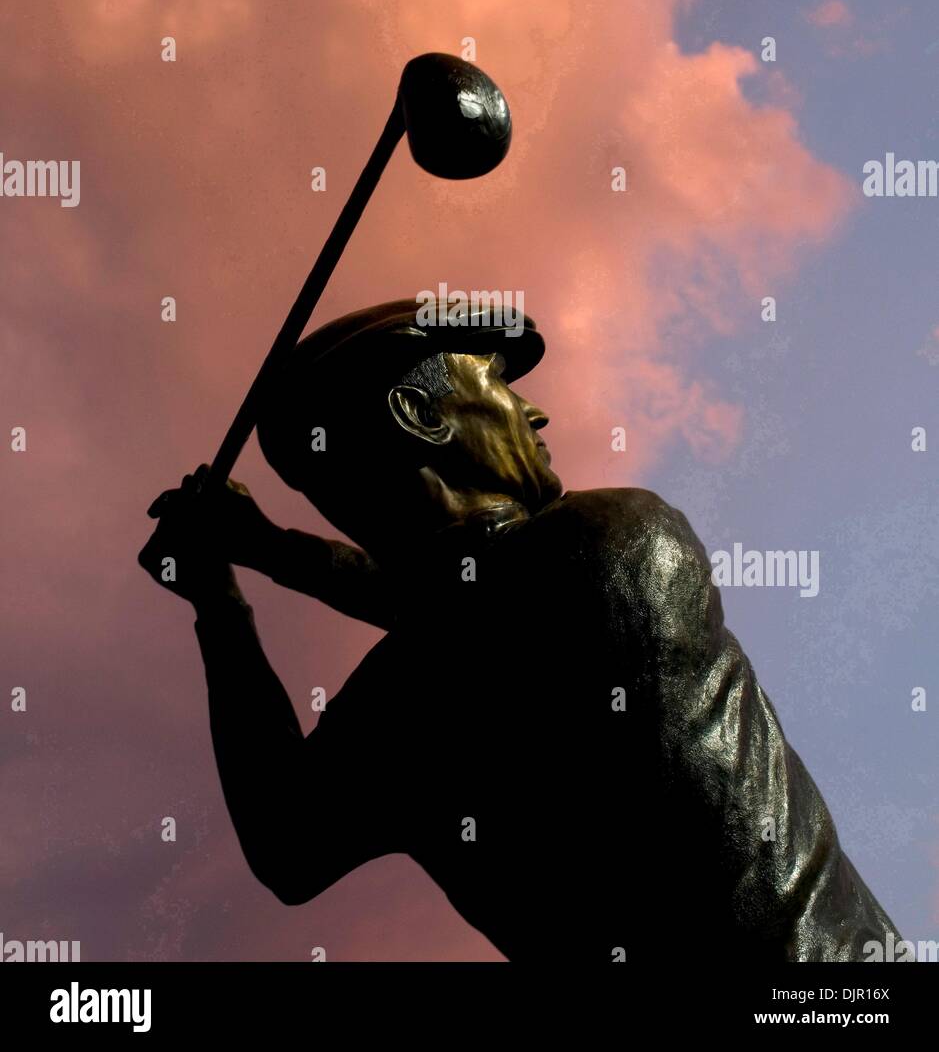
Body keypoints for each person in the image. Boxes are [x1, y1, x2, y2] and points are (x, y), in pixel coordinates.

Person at [139, 297, 900, 961]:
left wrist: (223, 594)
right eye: (497, 381)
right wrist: (261, 556)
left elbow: (287, 841)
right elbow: (474, 608)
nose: (531, 411)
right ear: (421, 415)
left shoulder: (393, 710)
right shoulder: (618, 532)